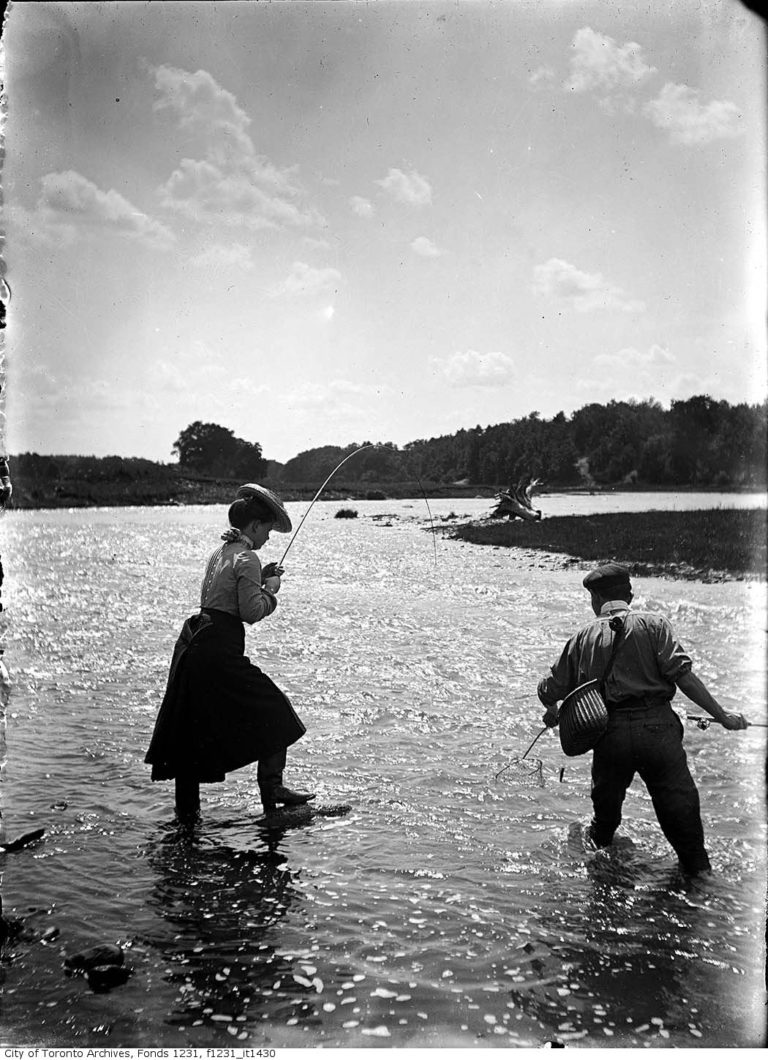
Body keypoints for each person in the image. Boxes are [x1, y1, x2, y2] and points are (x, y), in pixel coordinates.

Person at [536, 562, 748, 875]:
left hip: (610, 737)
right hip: (659, 733)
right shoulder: (654, 624)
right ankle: (701, 896)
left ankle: (603, 890)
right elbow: (685, 678)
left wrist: (553, 709)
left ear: (595, 599)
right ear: (630, 595)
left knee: (603, 826)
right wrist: (724, 716)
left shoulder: (582, 637)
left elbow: (548, 688)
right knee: (685, 827)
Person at [145, 483, 314, 817]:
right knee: (275, 709)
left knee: (188, 733)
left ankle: (187, 818)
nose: (268, 538)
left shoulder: (221, 552)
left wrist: (258, 578)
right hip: (218, 650)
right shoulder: (248, 557)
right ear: (253, 527)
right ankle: (273, 787)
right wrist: (271, 589)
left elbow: (228, 593)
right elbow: (250, 612)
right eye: (266, 530)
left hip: (194, 645)